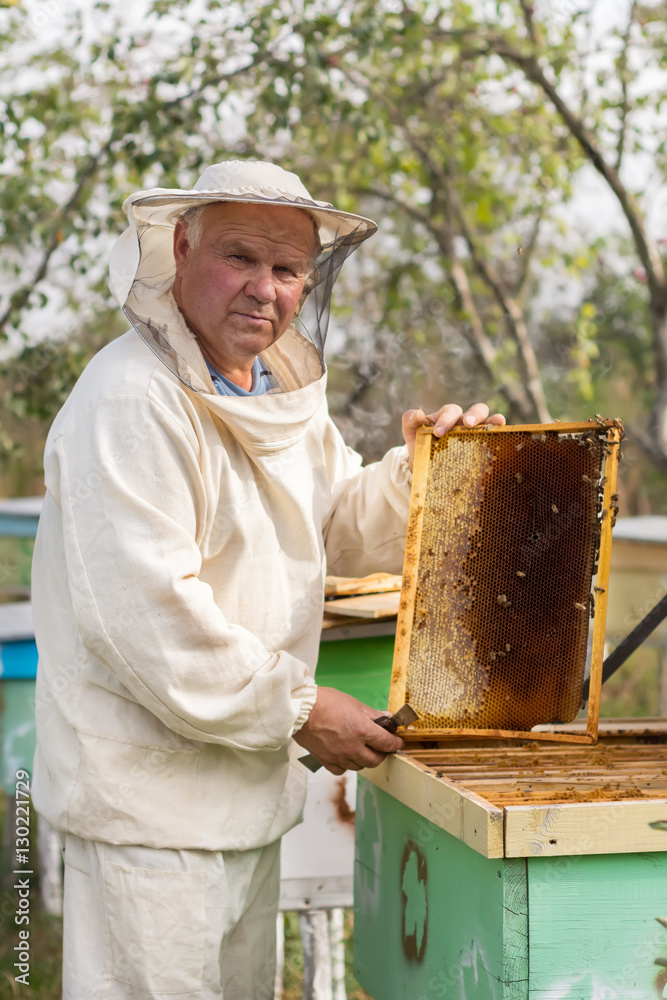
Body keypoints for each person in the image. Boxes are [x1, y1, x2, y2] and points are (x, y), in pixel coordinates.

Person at [31, 160, 504, 1000]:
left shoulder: (275, 384)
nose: (264, 289)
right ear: (179, 249)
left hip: (243, 796)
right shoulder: (130, 400)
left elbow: (332, 525)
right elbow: (149, 618)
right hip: (150, 819)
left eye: (287, 270)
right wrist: (301, 707)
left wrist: (428, 472)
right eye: (240, 258)